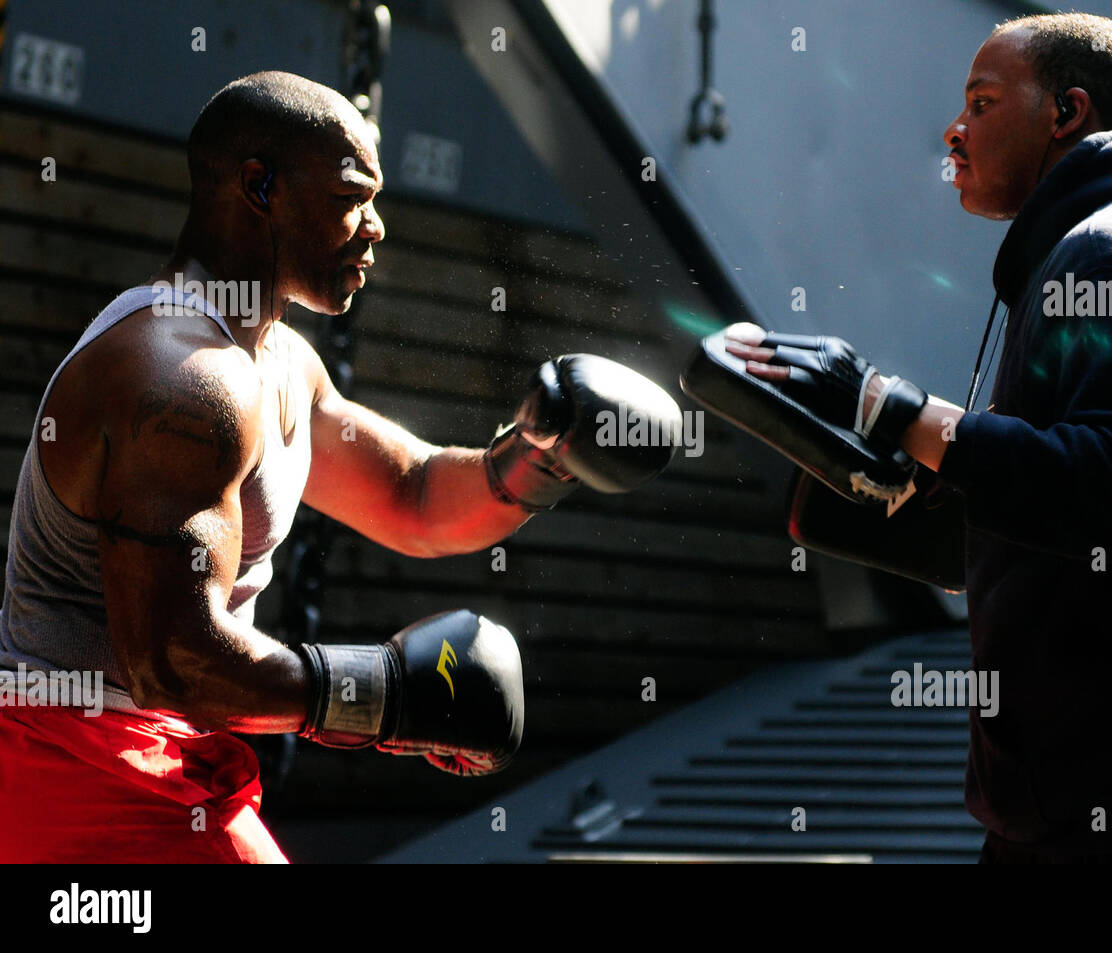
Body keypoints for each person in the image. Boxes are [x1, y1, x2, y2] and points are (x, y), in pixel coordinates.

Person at [0, 71, 680, 862]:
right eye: (353, 196)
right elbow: (171, 660)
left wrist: (535, 458)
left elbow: (413, 494)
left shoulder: (279, 364)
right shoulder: (182, 378)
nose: (377, 227)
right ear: (262, 187)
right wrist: (387, 695)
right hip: (80, 764)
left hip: (152, 756)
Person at [723, 13, 1112, 863]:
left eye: (983, 102)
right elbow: (1066, 521)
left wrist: (886, 403)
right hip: (1084, 817)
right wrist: (881, 480)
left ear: (1066, 113)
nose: (955, 130)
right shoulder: (1084, 252)